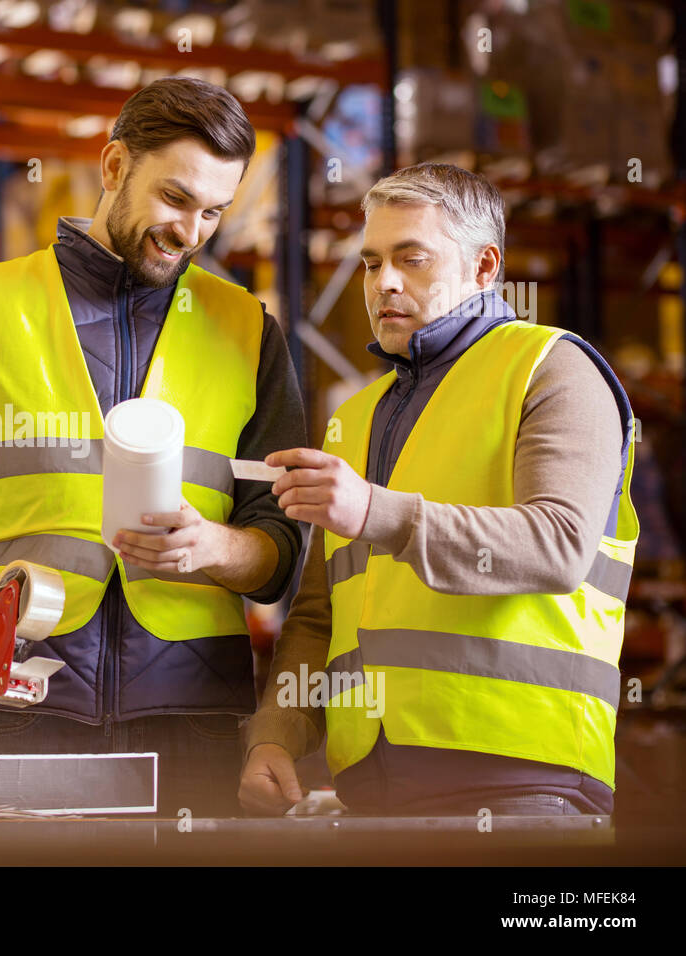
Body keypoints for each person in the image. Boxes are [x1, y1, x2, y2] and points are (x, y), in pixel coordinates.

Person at [0, 76, 306, 817]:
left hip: (192, 722)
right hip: (25, 708)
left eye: (214, 213)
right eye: (176, 199)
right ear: (115, 167)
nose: (191, 233)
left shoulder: (250, 332)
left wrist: (215, 549)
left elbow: (282, 550)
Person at [240, 163, 638, 817]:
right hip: (371, 794)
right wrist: (276, 737)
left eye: (411, 259)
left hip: (522, 786)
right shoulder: (357, 417)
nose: (384, 283)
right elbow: (319, 617)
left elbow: (559, 546)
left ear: (485, 268)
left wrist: (374, 509)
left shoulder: (552, 370)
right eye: (371, 263)